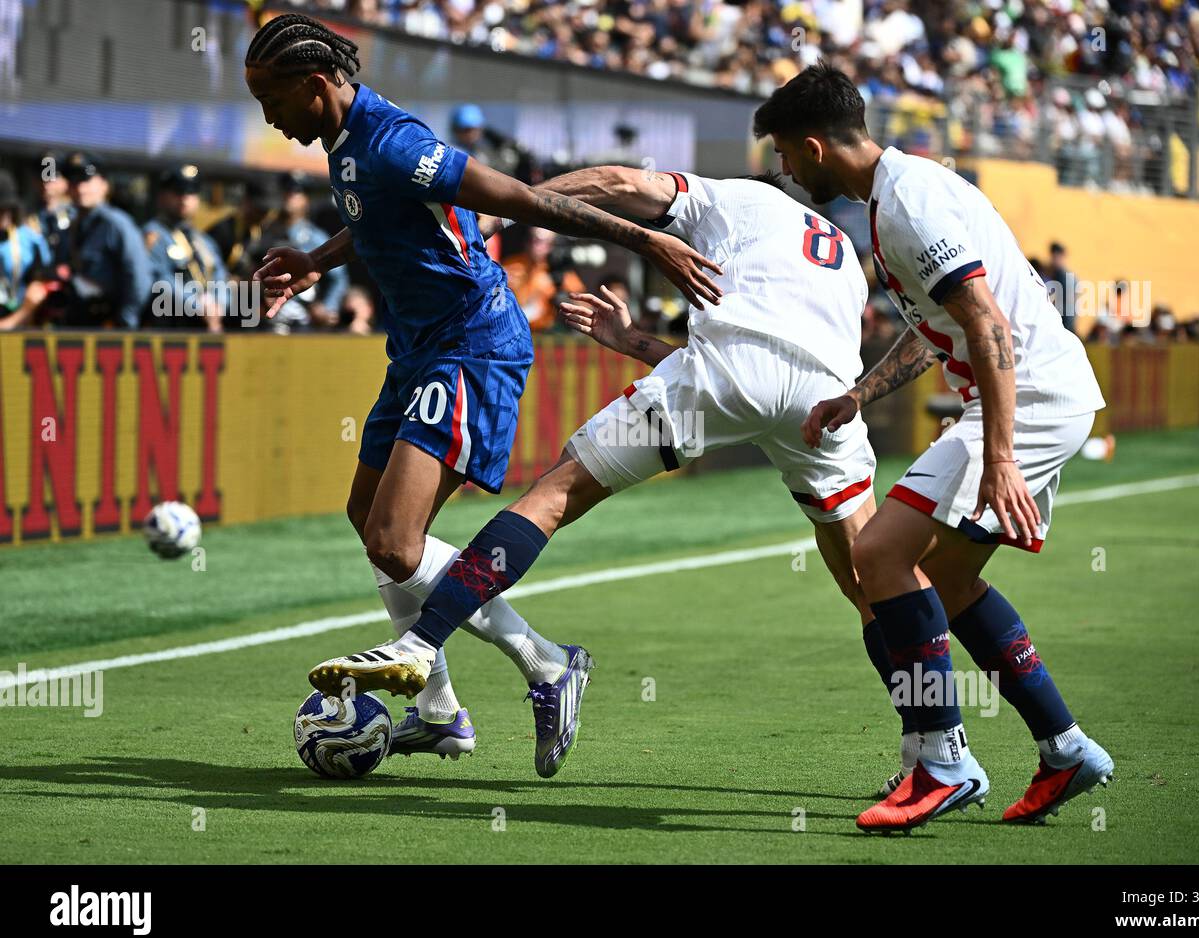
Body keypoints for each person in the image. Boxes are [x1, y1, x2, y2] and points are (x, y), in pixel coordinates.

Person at [243, 13, 720, 776]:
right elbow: (378, 219)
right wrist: (318, 258)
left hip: (473, 345)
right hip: (419, 351)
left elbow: (519, 201)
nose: (267, 116)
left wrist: (646, 238)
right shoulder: (344, 144)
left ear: (314, 84)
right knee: (367, 517)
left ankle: (548, 665)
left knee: (396, 543)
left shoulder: (396, 141)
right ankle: (439, 714)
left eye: (271, 99)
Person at [311, 163, 880, 782]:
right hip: (824, 400)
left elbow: (616, 181)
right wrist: (636, 342)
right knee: (869, 578)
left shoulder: (734, 197)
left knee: (552, 495)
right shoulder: (843, 252)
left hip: (718, 377)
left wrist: (506, 205)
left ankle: (452, 653)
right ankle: (936, 744)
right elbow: (772, 365)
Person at [758, 62, 1112, 832]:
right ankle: (1065, 745)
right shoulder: (904, 191)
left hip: (1031, 391)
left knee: (880, 556)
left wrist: (1003, 456)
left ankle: (943, 759)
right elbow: (945, 327)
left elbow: (985, 324)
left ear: (814, 146)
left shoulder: (906, 207)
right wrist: (859, 394)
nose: (783, 169)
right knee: (946, 581)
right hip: (1039, 386)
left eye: (784, 153)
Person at [61, 152, 153, 329]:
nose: (80, 188)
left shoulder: (117, 224)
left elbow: (139, 278)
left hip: (110, 325)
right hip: (78, 322)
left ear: (104, 185)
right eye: (74, 182)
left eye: (86, 181)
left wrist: (124, 322)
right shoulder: (71, 226)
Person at [250, 171, 346, 332]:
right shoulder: (262, 234)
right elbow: (249, 271)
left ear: (306, 199)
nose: (290, 196)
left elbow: (338, 278)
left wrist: (327, 307)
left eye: (297, 191)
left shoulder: (317, 237)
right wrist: (256, 301)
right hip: (268, 318)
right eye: (286, 190)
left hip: (306, 317)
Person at [143, 164, 227, 332]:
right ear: (162, 197)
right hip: (171, 326)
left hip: (206, 324)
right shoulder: (153, 235)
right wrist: (197, 305)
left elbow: (220, 275)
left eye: (191, 192)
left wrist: (219, 305)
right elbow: (159, 279)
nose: (184, 198)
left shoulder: (203, 240)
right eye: (178, 192)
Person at [502, 227, 585, 331]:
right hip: (511, 329)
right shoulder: (511, 265)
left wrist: (562, 299)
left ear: (552, 245)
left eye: (542, 242)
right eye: (533, 239)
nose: (535, 245)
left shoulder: (558, 271)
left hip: (545, 334)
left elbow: (583, 306)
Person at [0, 170, 52, 330]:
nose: (3, 217)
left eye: (5, 210)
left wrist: (20, 316)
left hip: (20, 323)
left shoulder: (28, 239)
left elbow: (39, 284)